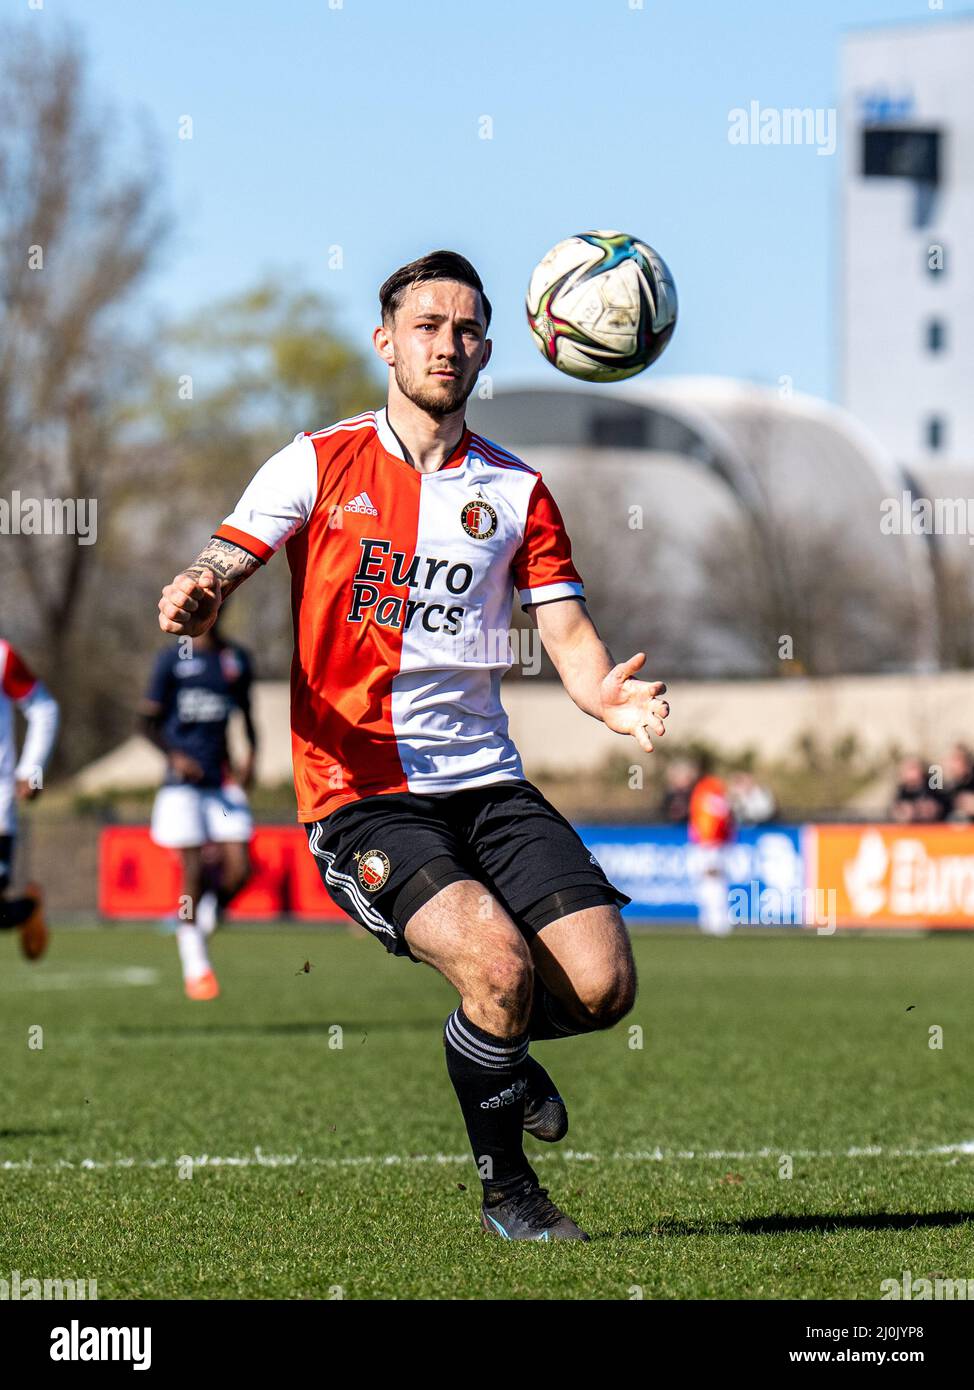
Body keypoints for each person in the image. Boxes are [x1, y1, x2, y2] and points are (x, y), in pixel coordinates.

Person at [155, 249, 671, 1241]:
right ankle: (508, 1194)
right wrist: (200, 585)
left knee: (603, 985)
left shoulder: (515, 490)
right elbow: (229, 554)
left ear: (490, 348)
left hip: (487, 783)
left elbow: (562, 627)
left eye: (466, 327)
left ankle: (498, 1051)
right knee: (495, 966)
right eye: (427, 325)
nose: (448, 342)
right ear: (385, 341)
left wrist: (601, 695)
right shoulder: (317, 460)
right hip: (359, 790)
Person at [139, 609, 257, 1000]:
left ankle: (200, 923)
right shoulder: (172, 659)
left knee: (239, 869)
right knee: (191, 871)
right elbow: (145, 722)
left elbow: (248, 714)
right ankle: (196, 968)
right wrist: (174, 757)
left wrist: (251, 757)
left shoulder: (234, 659)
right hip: (181, 784)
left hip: (220, 781)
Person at [0, 638, 59, 960]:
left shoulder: (3, 656)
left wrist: (31, 770)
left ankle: (27, 908)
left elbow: (43, 708)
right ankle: (25, 909)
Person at [688, 755, 735, 935]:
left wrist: (715, 839)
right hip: (705, 843)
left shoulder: (710, 787)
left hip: (711, 844)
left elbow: (720, 814)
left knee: (713, 881)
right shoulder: (704, 788)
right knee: (707, 882)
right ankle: (710, 921)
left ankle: (718, 923)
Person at [889, 756, 949, 824]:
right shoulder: (902, 790)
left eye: (912, 769)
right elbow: (895, 811)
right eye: (906, 770)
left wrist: (919, 809)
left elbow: (940, 807)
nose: (909, 774)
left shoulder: (933, 787)